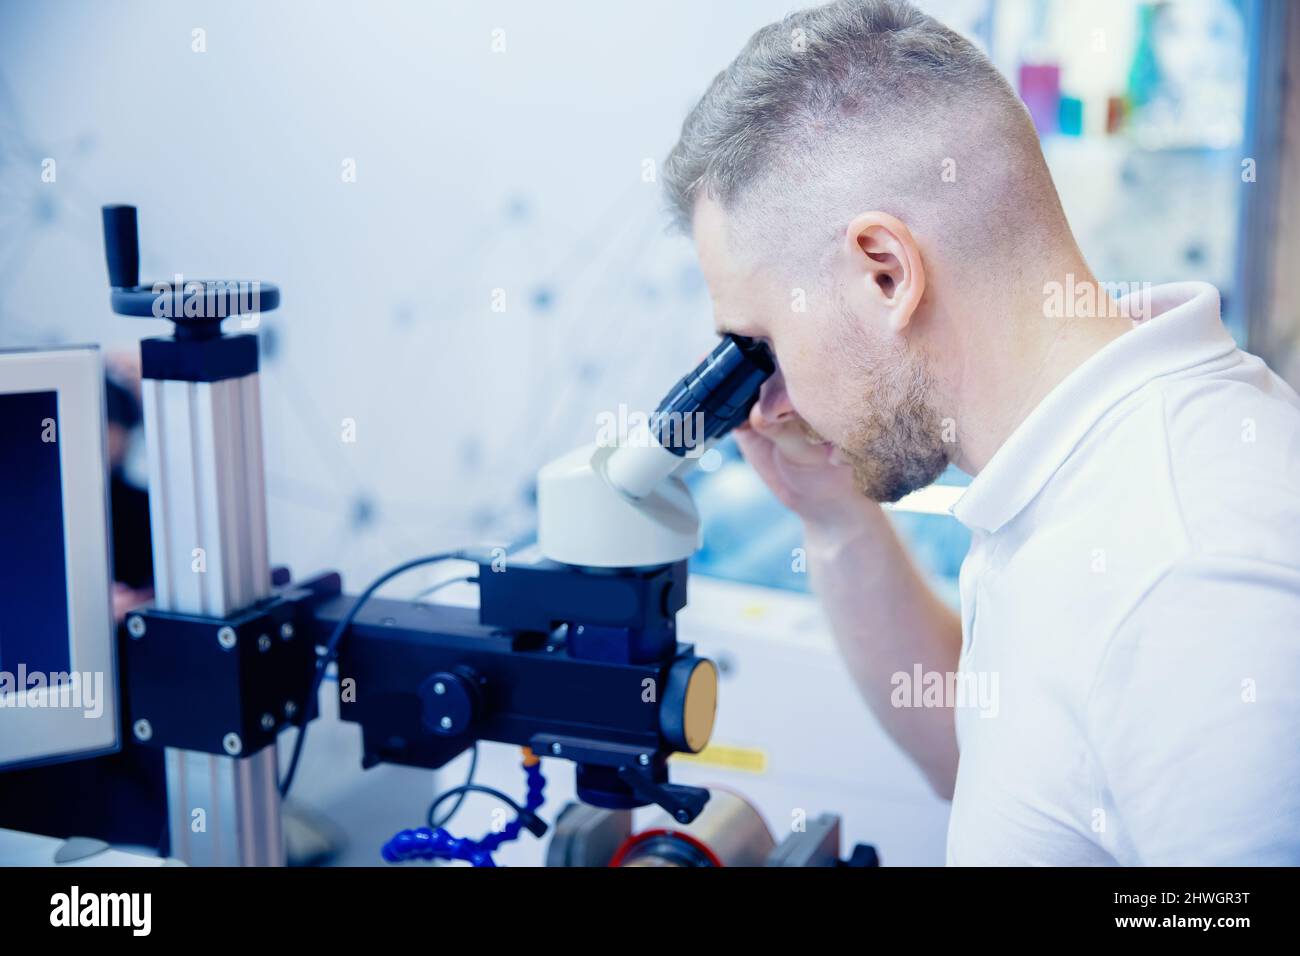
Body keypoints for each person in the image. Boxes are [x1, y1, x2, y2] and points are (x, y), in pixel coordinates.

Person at [664, 0, 1300, 864]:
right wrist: (835, 517)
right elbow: (992, 769)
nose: (764, 406)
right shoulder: (1066, 464)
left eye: (762, 347)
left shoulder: (1191, 575)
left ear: (886, 274)